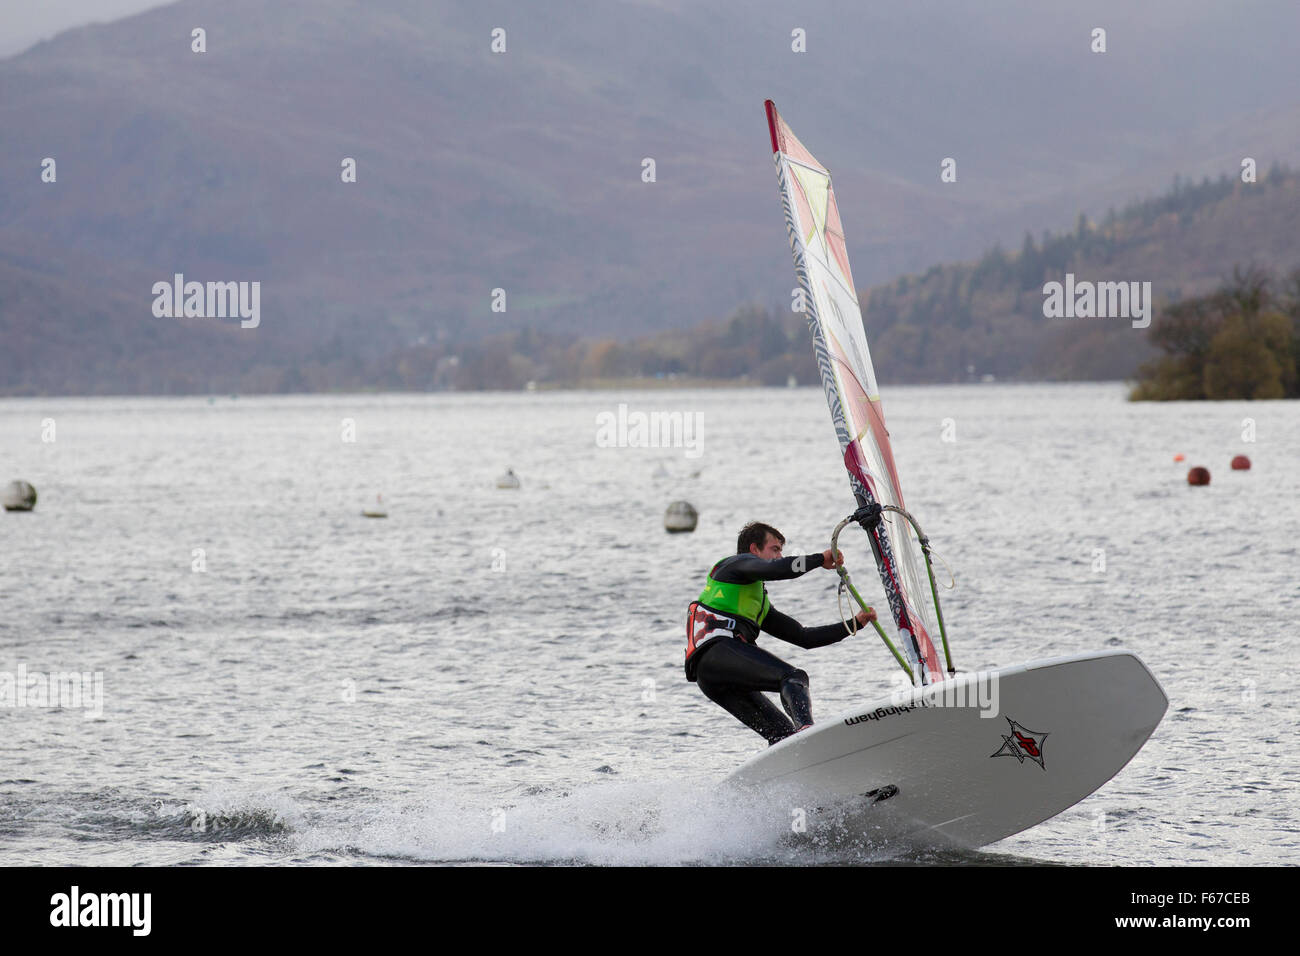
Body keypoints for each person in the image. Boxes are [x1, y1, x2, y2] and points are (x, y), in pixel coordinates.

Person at [685, 520, 877, 746]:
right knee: (793, 678)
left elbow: (804, 638)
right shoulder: (734, 565)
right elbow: (778, 569)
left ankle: (791, 771)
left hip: (712, 677)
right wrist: (819, 559)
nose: (779, 556)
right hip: (718, 653)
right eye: (774, 549)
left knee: (783, 736)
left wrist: (855, 623)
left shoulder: (756, 603)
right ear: (754, 549)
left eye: (781, 551)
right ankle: (809, 734)